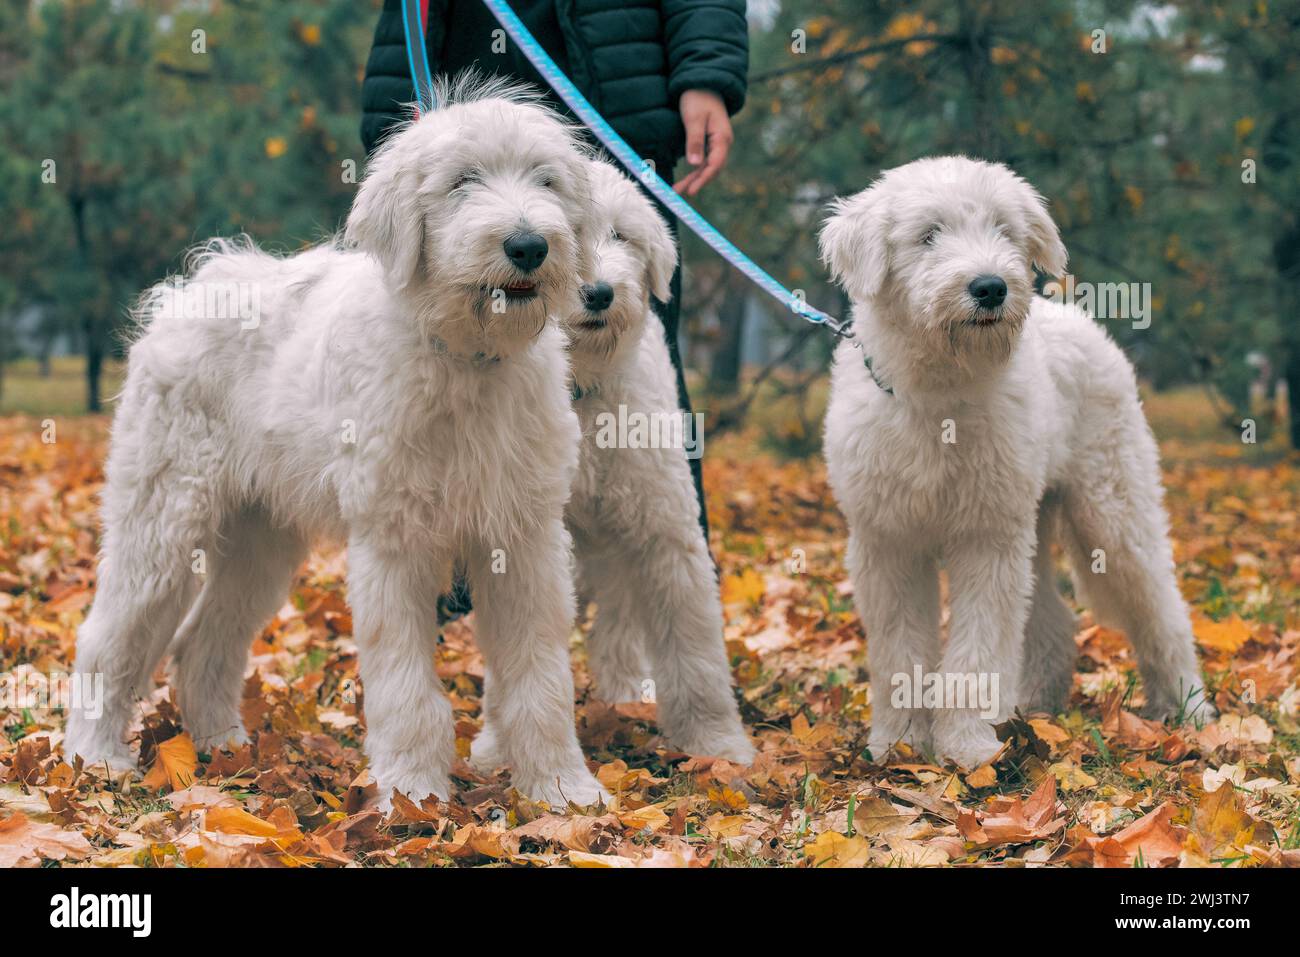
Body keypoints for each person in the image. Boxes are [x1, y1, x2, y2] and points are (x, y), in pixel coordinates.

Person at [360, 0, 749, 549]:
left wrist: (705, 72)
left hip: (618, 104)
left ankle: (665, 568)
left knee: (639, 370)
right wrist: (395, 133)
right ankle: (457, 592)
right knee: (454, 385)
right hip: (466, 85)